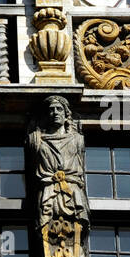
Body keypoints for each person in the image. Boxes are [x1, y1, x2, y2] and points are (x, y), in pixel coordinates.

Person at [25, 95, 89, 228]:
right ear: (46, 115)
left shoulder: (77, 140)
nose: (55, 113)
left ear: (66, 115)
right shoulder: (37, 140)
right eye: (51, 110)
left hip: (72, 190)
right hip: (48, 190)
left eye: (59, 109)